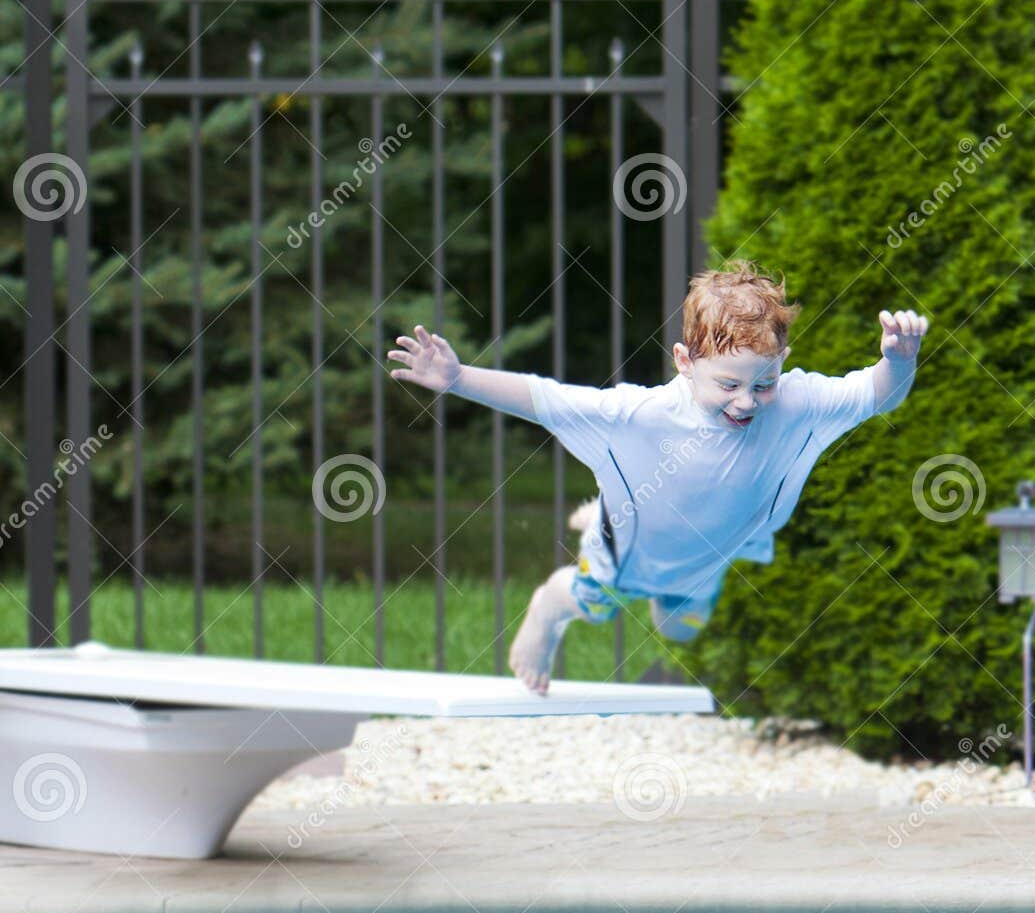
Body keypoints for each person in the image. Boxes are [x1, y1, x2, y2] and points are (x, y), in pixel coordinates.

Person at [387, 260, 928, 692]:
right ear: (684, 361)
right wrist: (458, 379)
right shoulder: (639, 417)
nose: (747, 402)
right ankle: (548, 608)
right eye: (728, 385)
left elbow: (873, 397)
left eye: (763, 384)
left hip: (710, 553)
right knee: (589, 603)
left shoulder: (797, 401)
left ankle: (653, 576)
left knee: (678, 630)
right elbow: (542, 397)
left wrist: (898, 362)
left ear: (782, 361)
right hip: (627, 551)